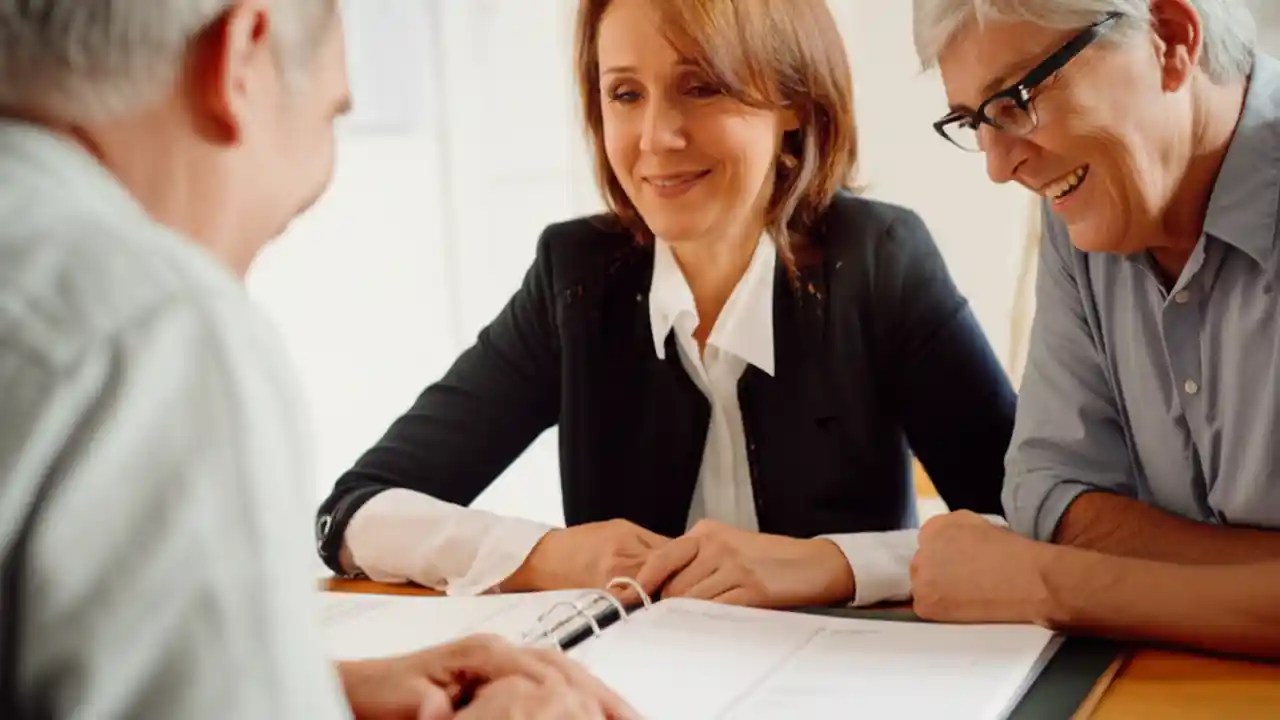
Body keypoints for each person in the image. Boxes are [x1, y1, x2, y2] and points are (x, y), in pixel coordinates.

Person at [0, 1, 632, 717]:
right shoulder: (154, 328)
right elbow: (358, 503)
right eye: (334, 114)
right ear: (240, 59)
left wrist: (320, 689)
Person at [317, 0, 1016, 611]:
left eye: (700, 86)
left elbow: (1032, 527)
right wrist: (550, 556)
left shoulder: (879, 260)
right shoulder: (577, 278)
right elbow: (356, 513)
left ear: (794, 103)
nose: (656, 137)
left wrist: (831, 564)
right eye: (625, 94)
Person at [908, 0, 1280, 658]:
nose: (997, 166)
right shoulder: (1083, 211)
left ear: (1170, 37)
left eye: (1018, 97)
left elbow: (1052, 550)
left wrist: (1050, 586)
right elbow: (1050, 490)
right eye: (974, 121)